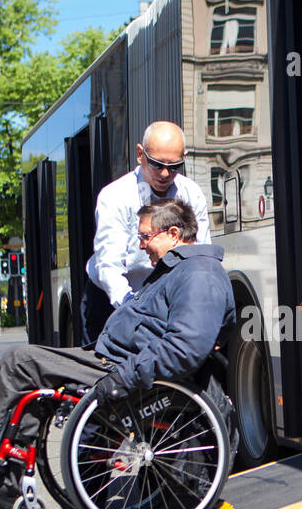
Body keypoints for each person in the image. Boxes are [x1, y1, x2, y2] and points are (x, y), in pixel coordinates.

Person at [0, 198, 235, 509]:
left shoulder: (199, 273)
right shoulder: (177, 270)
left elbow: (185, 348)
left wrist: (124, 377)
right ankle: (3, 474)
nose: (142, 246)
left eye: (146, 237)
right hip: (116, 361)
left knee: (20, 362)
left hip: (124, 369)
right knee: (33, 377)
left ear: (173, 233)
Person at [79, 120, 211, 346]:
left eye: (174, 166)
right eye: (156, 164)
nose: (164, 173)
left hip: (168, 298)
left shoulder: (192, 194)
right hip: (113, 299)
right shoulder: (115, 196)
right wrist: (132, 305)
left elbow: (202, 254)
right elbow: (109, 265)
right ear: (140, 154)